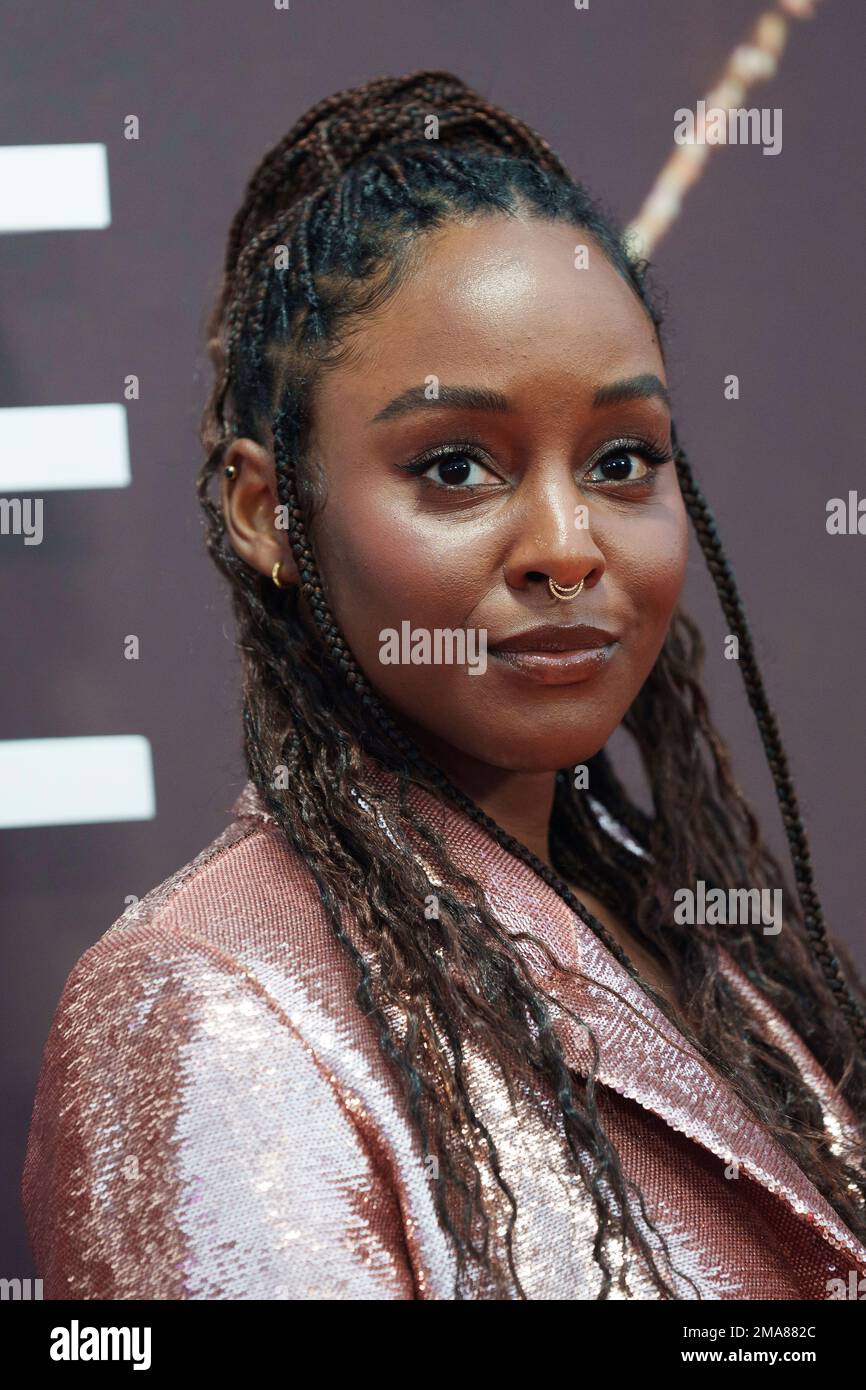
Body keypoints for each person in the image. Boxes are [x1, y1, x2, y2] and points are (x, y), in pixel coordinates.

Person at [22, 70, 866, 1300]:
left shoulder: (667, 926)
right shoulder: (201, 1008)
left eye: (623, 457)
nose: (567, 544)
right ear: (267, 511)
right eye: (457, 466)